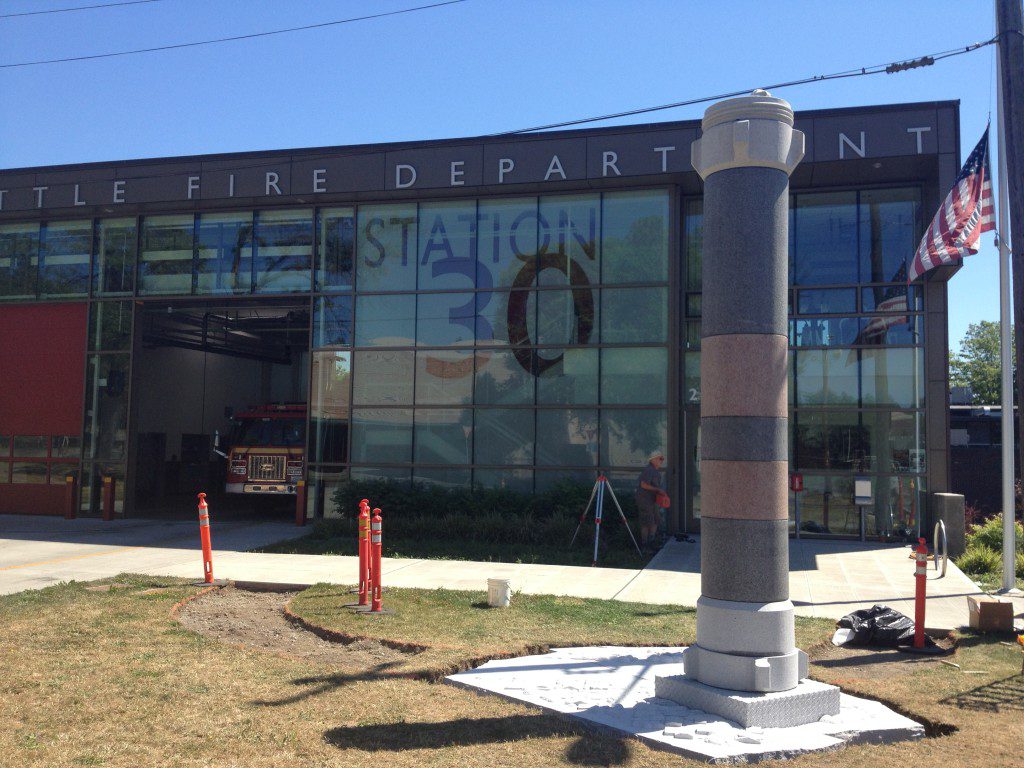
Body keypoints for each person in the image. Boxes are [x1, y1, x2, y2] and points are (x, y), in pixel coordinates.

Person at [636, 451, 668, 550]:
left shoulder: (655, 471)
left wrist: (660, 493)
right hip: (645, 501)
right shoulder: (648, 470)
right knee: (646, 522)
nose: (662, 461)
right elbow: (643, 484)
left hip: (653, 501)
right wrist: (658, 490)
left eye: (662, 459)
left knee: (655, 521)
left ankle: (652, 542)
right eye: (660, 458)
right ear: (653, 460)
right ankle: (645, 546)